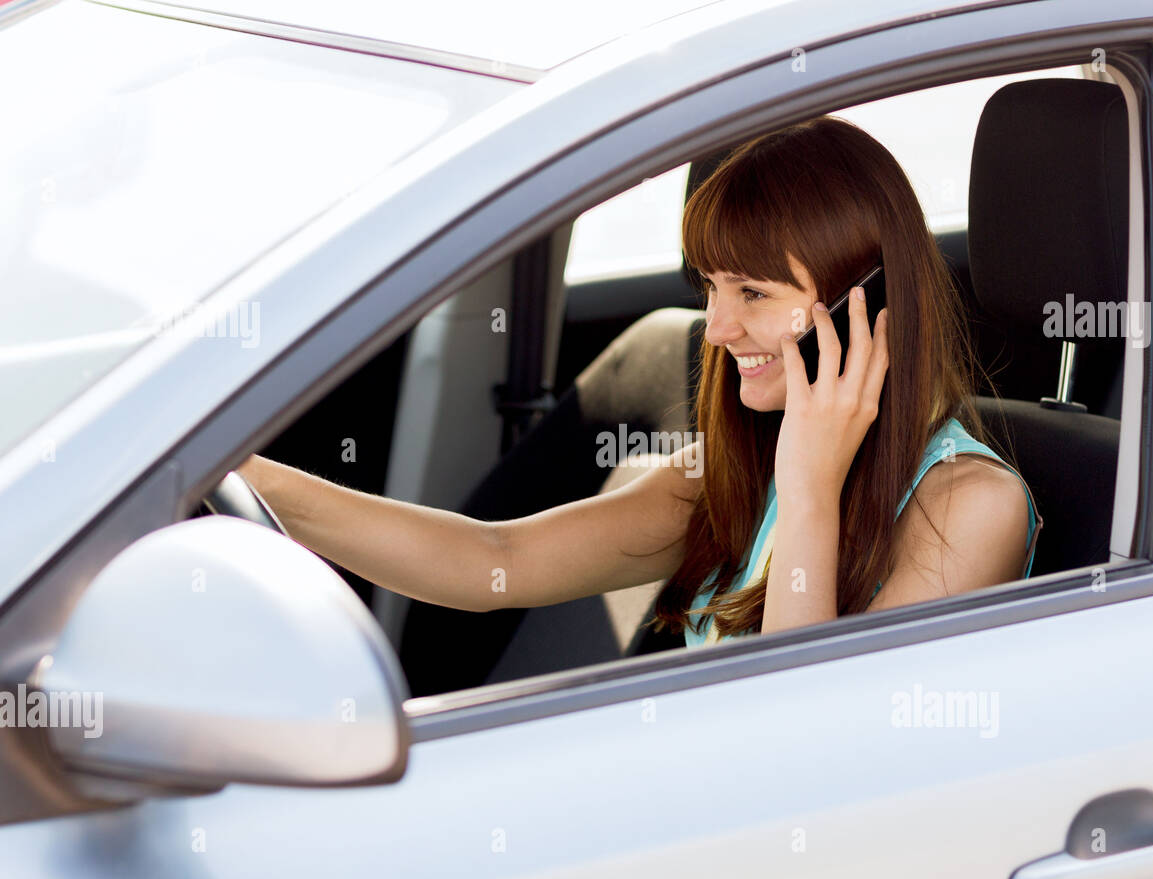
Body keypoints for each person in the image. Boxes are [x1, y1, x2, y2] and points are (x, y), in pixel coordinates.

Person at [239, 115, 1040, 656]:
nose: (718, 333)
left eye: (753, 294)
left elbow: (805, 740)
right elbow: (497, 560)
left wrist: (808, 488)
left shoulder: (969, 510)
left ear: (869, 307)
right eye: (712, 290)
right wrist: (245, 479)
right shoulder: (731, 471)